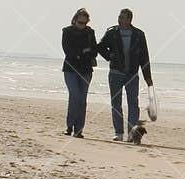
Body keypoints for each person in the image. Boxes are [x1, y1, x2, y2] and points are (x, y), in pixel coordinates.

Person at [97, 7, 153, 141]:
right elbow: (100, 46)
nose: (120, 19)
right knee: (116, 103)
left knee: (133, 103)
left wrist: (148, 77)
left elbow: (145, 57)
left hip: (132, 74)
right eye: (119, 17)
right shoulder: (112, 32)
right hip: (116, 73)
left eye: (123, 17)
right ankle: (119, 133)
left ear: (129, 19)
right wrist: (110, 56)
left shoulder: (139, 35)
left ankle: (132, 133)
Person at [60, 8, 97, 138]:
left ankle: (79, 129)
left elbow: (94, 51)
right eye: (80, 22)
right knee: (74, 95)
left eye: (84, 23)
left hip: (86, 70)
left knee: (82, 99)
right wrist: (83, 52)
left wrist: (83, 53)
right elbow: (68, 50)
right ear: (75, 20)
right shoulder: (67, 31)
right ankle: (69, 126)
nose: (82, 25)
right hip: (70, 69)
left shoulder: (90, 32)